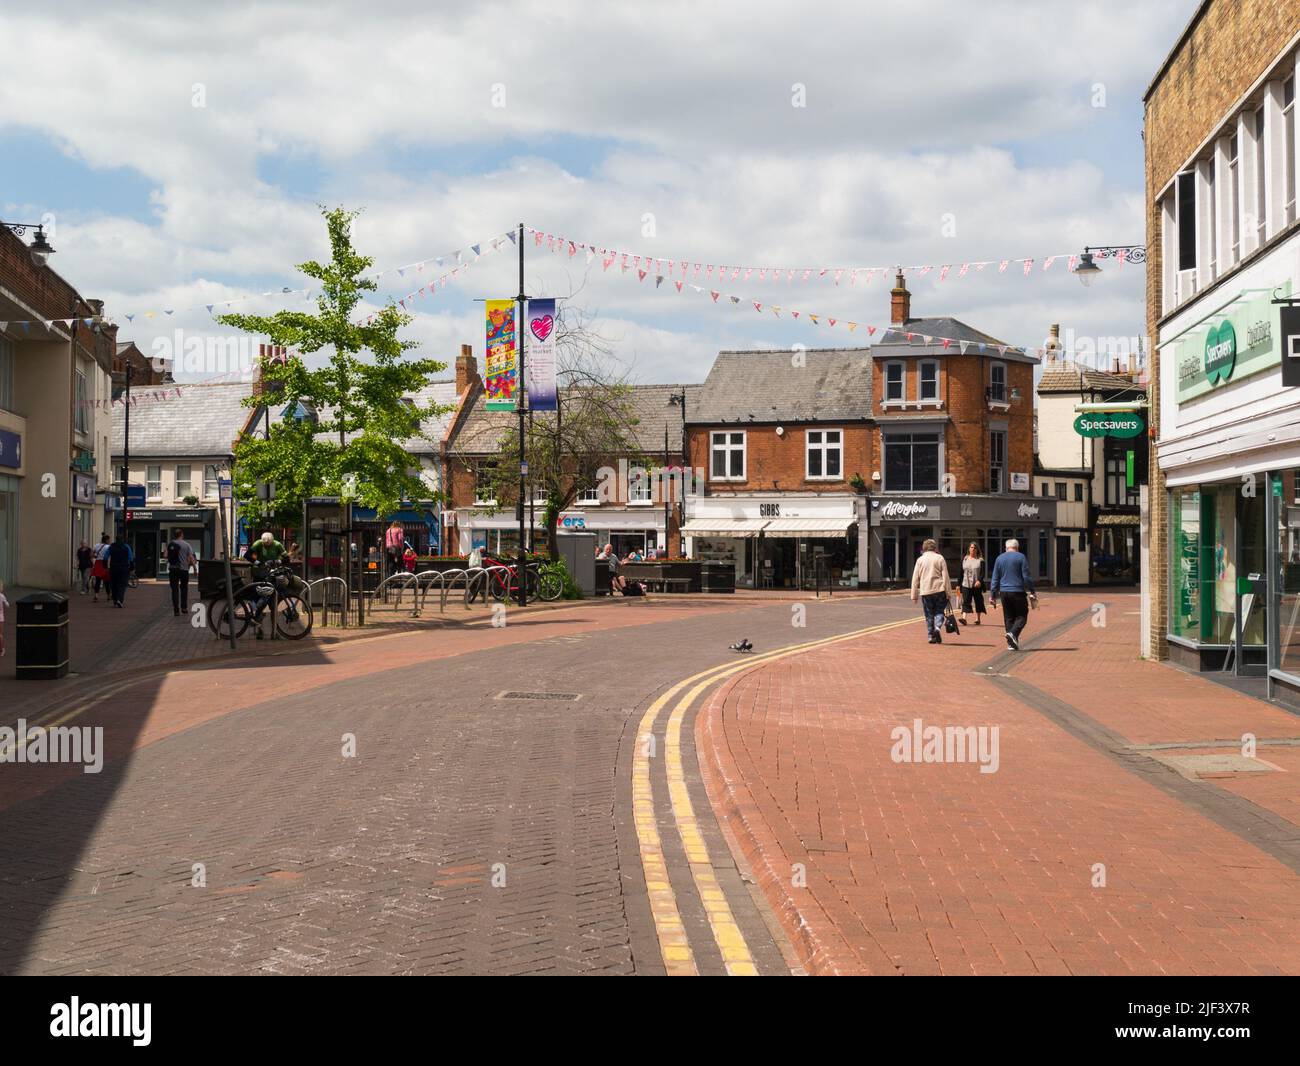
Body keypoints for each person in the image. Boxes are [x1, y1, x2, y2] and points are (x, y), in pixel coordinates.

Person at [989, 537, 1037, 650]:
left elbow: (995, 578)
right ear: (1017, 547)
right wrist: (1032, 590)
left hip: (1004, 592)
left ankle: (1011, 643)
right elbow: (1026, 576)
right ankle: (1013, 634)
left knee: (1009, 617)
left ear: (1006, 548)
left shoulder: (999, 558)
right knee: (1022, 616)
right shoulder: (1021, 557)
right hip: (1018, 591)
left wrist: (992, 595)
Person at [910, 538, 953, 645]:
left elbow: (915, 578)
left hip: (926, 591)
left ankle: (930, 636)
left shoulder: (920, 560)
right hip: (939, 590)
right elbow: (945, 577)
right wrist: (948, 592)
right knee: (939, 611)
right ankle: (937, 628)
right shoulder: (940, 558)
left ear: (924, 548)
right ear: (935, 548)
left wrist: (914, 595)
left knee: (929, 614)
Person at [166, 528, 198, 617]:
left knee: (174, 590)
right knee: (184, 588)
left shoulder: (170, 544)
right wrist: (195, 569)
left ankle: (176, 610)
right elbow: (191, 557)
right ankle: (184, 608)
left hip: (172, 569)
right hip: (184, 569)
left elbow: (165, 555)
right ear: (181, 534)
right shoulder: (186, 545)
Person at [958, 542, 987, 626]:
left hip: (976, 585)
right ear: (969, 549)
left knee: (978, 601)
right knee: (966, 601)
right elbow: (960, 572)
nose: (972, 549)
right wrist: (958, 584)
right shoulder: (965, 559)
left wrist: (979, 581)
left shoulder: (980, 560)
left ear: (977, 550)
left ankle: (978, 619)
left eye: (974, 548)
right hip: (966, 584)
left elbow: (982, 573)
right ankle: (964, 618)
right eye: (971, 547)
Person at [107, 533, 134, 608]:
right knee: (122, 585)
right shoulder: (126, 547)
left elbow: (106, 556)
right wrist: (131, 568)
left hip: (114, 568)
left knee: (114, 584)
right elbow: (131, 558)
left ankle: (115, 599)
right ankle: (120, 600)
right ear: (123, 540)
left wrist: (105, 566)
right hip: (124, 568)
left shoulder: (111, 547)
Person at [91, 533, 111, 602]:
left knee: (98, 581)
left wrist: (96, 556)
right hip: (104, 563)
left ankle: (96, 595)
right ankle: (108, 596)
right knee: (107, 581)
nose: (109, 541)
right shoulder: (108, 547)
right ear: (106, 540)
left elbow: (92, 554)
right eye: (108, 540)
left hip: (97, 563)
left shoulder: (96, 545)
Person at [0, 580, 8, 657]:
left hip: (1, 618)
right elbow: (7, 604)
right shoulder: (2, 596)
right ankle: (2, 649)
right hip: (1, 618)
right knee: (1, 635)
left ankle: (2, 649)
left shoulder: (2, 596)